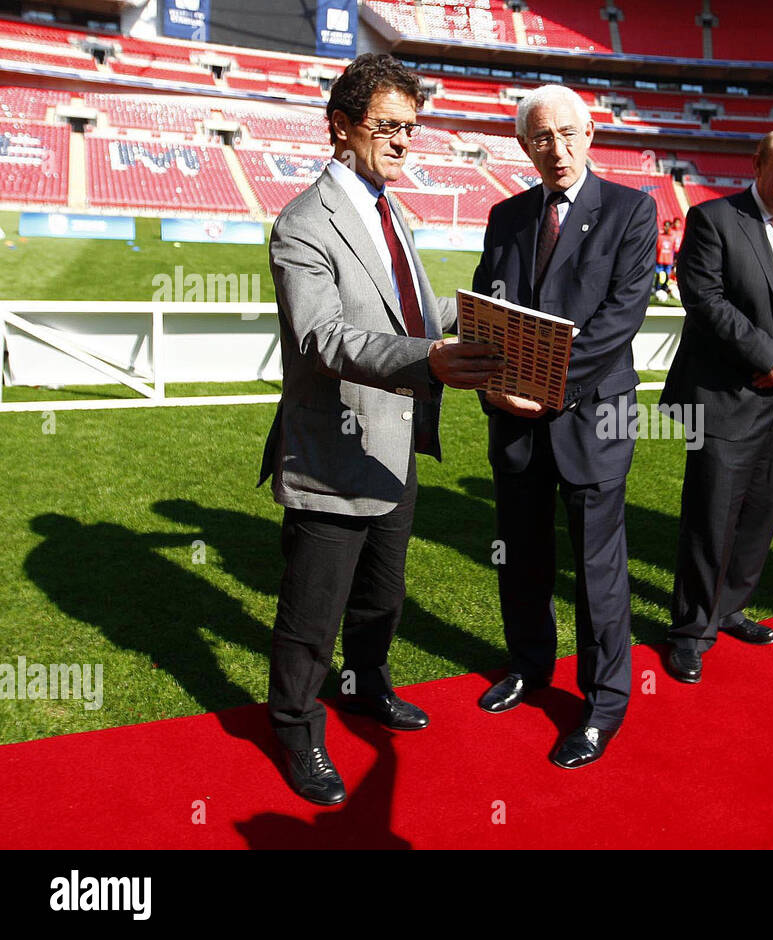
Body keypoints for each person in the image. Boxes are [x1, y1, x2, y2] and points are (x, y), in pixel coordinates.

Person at [258, 54, 502, 805]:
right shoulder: (303, 223)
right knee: (312, 614)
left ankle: (363, 689)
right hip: (331, 451)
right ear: (341, 126)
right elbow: (322, 340)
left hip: (395, 444)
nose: (403, 142)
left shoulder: (393, 210)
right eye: (387, 126)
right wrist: (430, 356)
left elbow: (411, 317)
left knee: (382, 598)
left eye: (411, 129)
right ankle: (295, 727)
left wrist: (487, 313)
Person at [471, 84, 657, 769]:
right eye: (543, 137)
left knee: (598, 571)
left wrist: (544, 388)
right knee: (520, 557)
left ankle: (604, 703)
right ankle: (528, 664)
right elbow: (487, 305)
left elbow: (618, 322)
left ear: (591, 134)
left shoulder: (633, 212)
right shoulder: (505, 215)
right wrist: (497, 384)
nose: (559, 149)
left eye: (570, 133)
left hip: (590, 420)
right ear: (525, 145)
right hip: (515, 422)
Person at [659, 128, 773, 683]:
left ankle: (730, 607)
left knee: (760, 515)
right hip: (726, 397)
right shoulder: (715, 219)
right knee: (709, 518)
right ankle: (691, 630)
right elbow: (705, 298)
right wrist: (767, 355)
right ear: (759, 164)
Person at [655, 221, 675, 292]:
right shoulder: (660, 236)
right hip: (660, 259)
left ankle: (664, 289)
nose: (666, 227)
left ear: (670, 227)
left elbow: (674, 249)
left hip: (668, 260)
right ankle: (657, 289)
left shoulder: (673, 237)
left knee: (667, 276)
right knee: (659, 276)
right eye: (665, 226)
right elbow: (656, 248)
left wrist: (674, 259)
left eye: (668, 226)